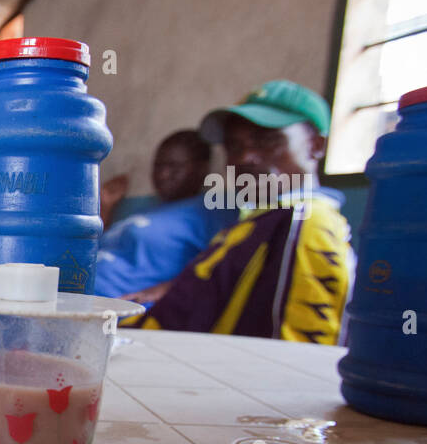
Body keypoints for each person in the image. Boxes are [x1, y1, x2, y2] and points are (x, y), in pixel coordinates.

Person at [125, 81, 352, 345]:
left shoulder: (306, 224)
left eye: (267, 140)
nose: (244, 157)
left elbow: (295, 366)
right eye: (233, 146)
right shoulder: (256, 225)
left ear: (316, 146)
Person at [93, 129, 226, 298]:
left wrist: (161, 292)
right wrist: (106, 206)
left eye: (175, 167)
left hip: (120, 307)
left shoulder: (211, 210)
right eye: (158, 165)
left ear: (202, 169)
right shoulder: (147, 210)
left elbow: (220, 264)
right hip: (78, 294)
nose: (163, 175)